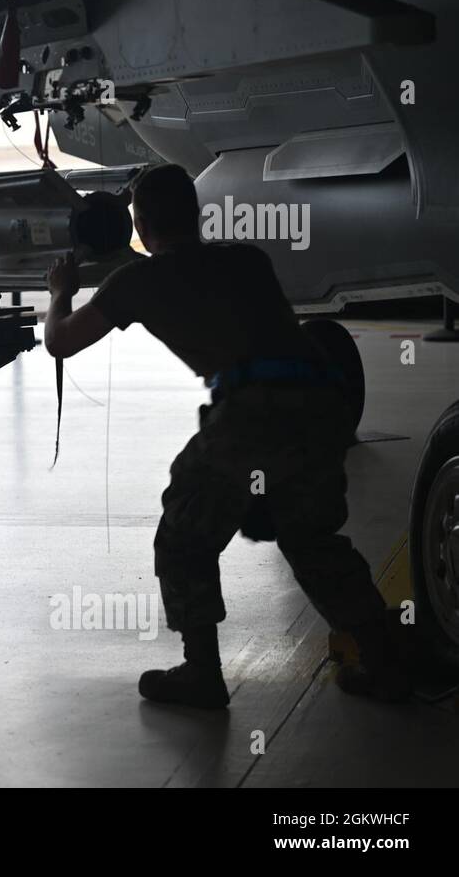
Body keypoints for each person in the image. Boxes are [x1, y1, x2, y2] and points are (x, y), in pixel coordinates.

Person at [43, 163, 409, 709]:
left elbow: (60, 342)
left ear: (140, 223)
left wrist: (60, 292)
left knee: (183, 537)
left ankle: (201, 673)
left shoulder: (137, 283)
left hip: (252, 413)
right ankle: (384, 661)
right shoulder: (246, 259)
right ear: (196, 213)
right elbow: (202, 286)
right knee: (312, 540)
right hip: (320, 404)